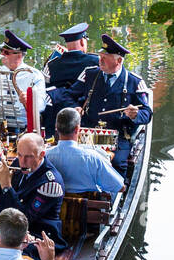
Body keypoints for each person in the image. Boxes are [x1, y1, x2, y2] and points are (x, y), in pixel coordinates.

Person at [58, 30, 153, 173]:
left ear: (119, 61)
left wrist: (135, 114)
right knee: (71, 157)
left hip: (117, 136)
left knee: (117, 164)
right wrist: (75, 107)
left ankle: (115, 192)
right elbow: (67, 96)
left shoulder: (135, 82)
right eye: (100, 56)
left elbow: (147, 114)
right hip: (87, 132)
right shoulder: (89, 74)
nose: (100, 61)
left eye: (105, 58)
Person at [0, 132, 66, 253]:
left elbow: (24, 219)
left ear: (42, 155)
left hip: (33, 237)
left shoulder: (51, 184)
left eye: (28, 157)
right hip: (3, 232)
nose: (22, 162)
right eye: (19, 155)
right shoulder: (17, 164)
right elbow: (1, 198)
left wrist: (6, 186)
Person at [44, 106, 126, 198]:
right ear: (77, 129)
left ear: (56, 127)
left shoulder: (45, 156)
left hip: (54, 207)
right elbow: (120, 187)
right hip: (84, 208)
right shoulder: (92, 157)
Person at [0, 31, 46, 136]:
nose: (1, 55)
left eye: (6, 52)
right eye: (1, 51)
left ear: (18, 55)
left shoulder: (34, 76)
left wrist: (29, 101)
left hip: (22, 129)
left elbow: (41, 106)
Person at [41, 22, 99, 134]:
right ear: (82, 41)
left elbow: (45, 90)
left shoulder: (51, 64)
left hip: (57, 115)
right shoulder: (96, 61)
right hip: (84, 115)